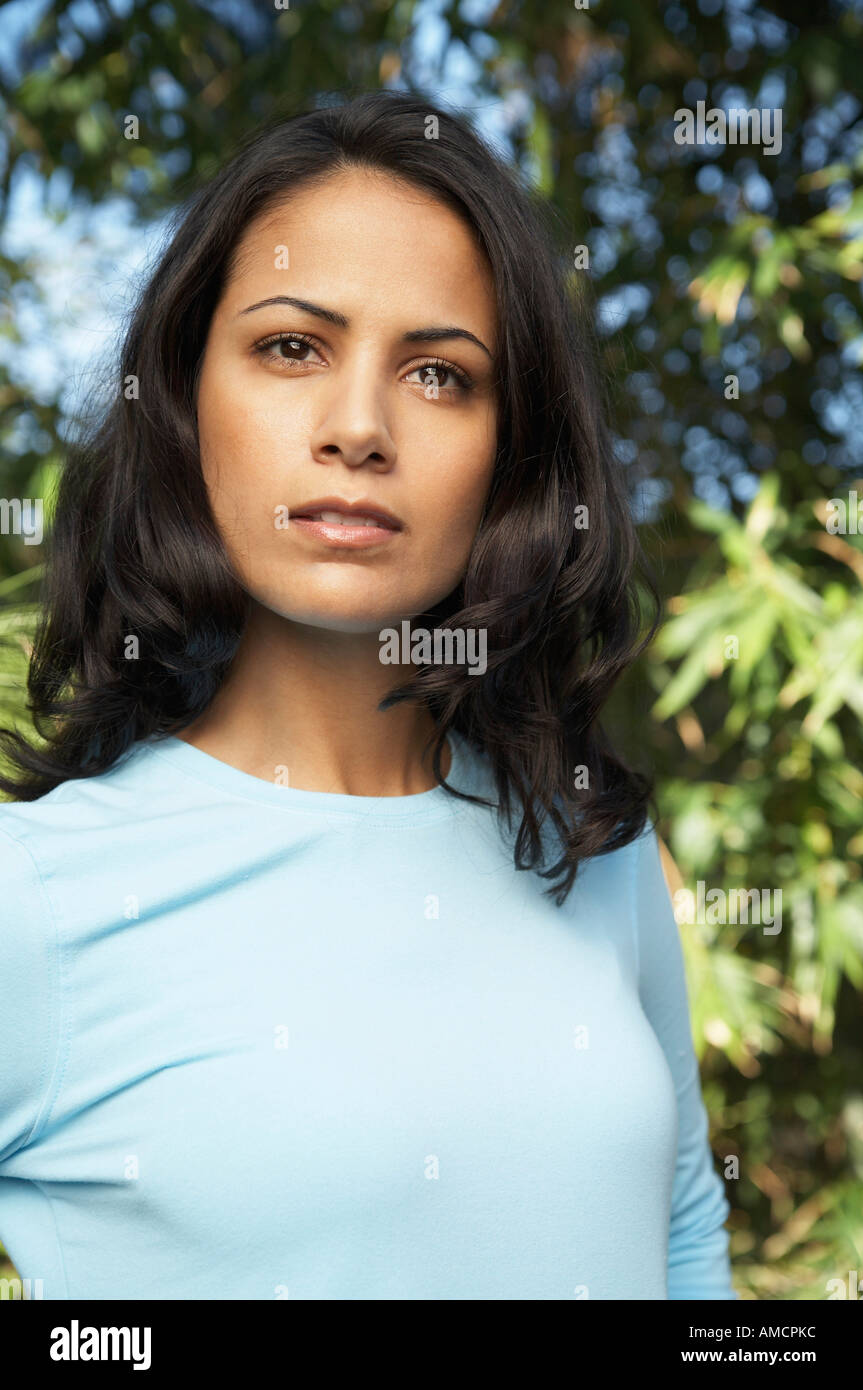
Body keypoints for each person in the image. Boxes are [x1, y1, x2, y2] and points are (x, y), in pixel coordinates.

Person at [0, 91, 736, 1300]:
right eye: (292, 348)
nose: (357, 428)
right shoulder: (35, 898)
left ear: (513, 450)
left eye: (440, 374)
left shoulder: (592, 851)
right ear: (185, 403)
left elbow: (683, 1243)